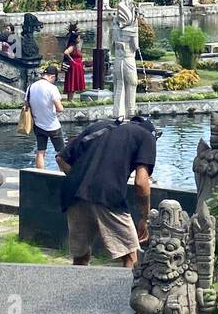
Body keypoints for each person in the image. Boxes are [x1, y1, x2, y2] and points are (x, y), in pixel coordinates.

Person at [57, 115, 157, 267]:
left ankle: (77, 286)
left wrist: (81, 179)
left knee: (80, 256)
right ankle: (127, 290)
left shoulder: (100, 126)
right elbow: (141, 182)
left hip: (72, 192)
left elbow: (61, 159)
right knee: (130, 254)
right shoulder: (147, 137)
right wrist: (145, 218)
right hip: (107, 194)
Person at [26, 63, 65, 170]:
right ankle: (62, 175)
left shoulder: (31, 87)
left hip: (38, 125)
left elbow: (26, 105)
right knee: (61, 153)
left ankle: (39, 175)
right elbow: (60, 108)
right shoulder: (52, 88)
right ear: (52, 76)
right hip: (53, 126)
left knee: (40, 152)